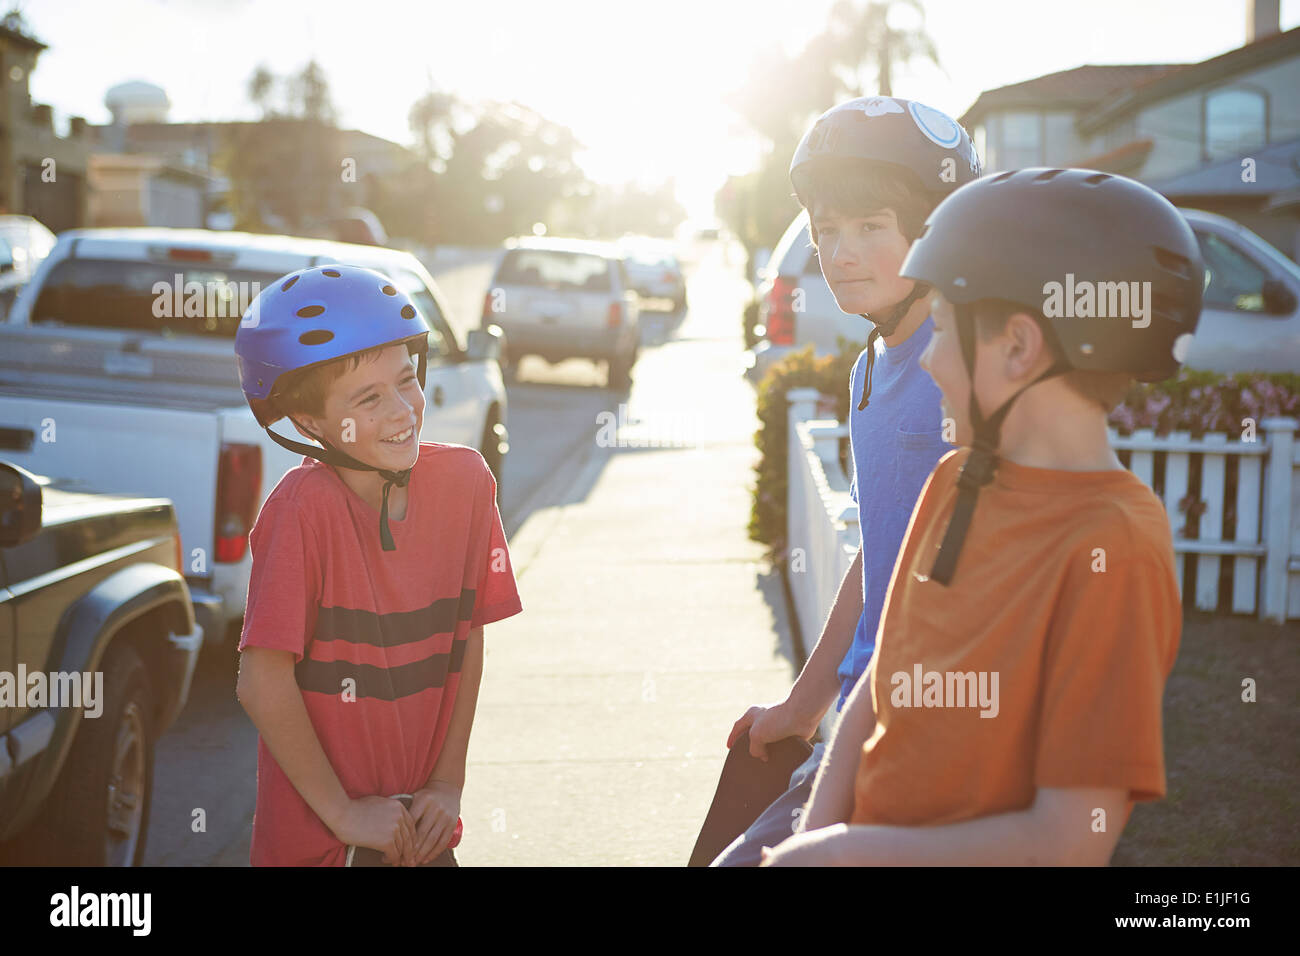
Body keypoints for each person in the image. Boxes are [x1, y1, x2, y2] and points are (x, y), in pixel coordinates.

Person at [761, 168, 1204, 865]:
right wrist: (814, 835)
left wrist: (842, 855)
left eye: (941, 329)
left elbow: (1068, 838)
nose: (928, 361)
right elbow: (881, 685)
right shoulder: (954, 481)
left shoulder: (1114, 546)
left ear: (1020, 347)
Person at [711, 97, 980, 866]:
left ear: (935, 234)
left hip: (935, 743)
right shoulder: (871, 370)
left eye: (870, 227)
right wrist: (804, 703)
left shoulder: (963, 370)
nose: (840, 252)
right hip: (860, 723)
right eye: (826, 230)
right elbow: (880, 548)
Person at [232, 264, 522, 866]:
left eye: (407, 381)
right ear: (309, 423)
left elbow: (465, 641)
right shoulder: (302, 510)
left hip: (419, 832)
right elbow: (262, 683)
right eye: (368, 398)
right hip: (325, 844)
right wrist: (344, 814)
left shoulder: (467, 483)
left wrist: (447, 783)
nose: (402, 411)